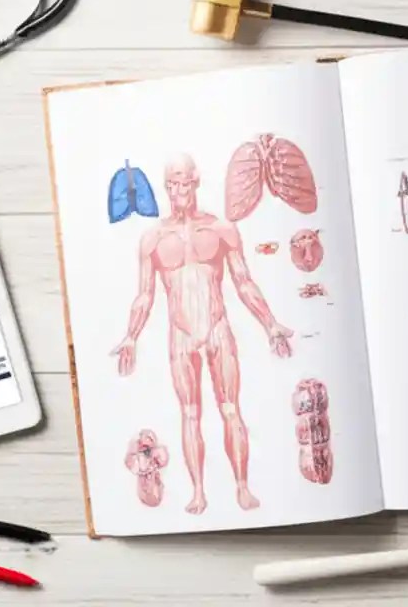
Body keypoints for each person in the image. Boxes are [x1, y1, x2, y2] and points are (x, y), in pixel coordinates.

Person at [112, 154, 293, 514]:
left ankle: (242, 486)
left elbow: (243, 282)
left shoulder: (221, 229)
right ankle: (198, 491)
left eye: (184, 182)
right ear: (166, 187)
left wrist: (270, 324)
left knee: (230, 409)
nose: (178, 190)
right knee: (190, 413)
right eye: (171, 184)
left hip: (218, 327)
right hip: (180, 334)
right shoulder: (152, 238)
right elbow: (145, 294)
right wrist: (131, 335)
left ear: (196, 182)